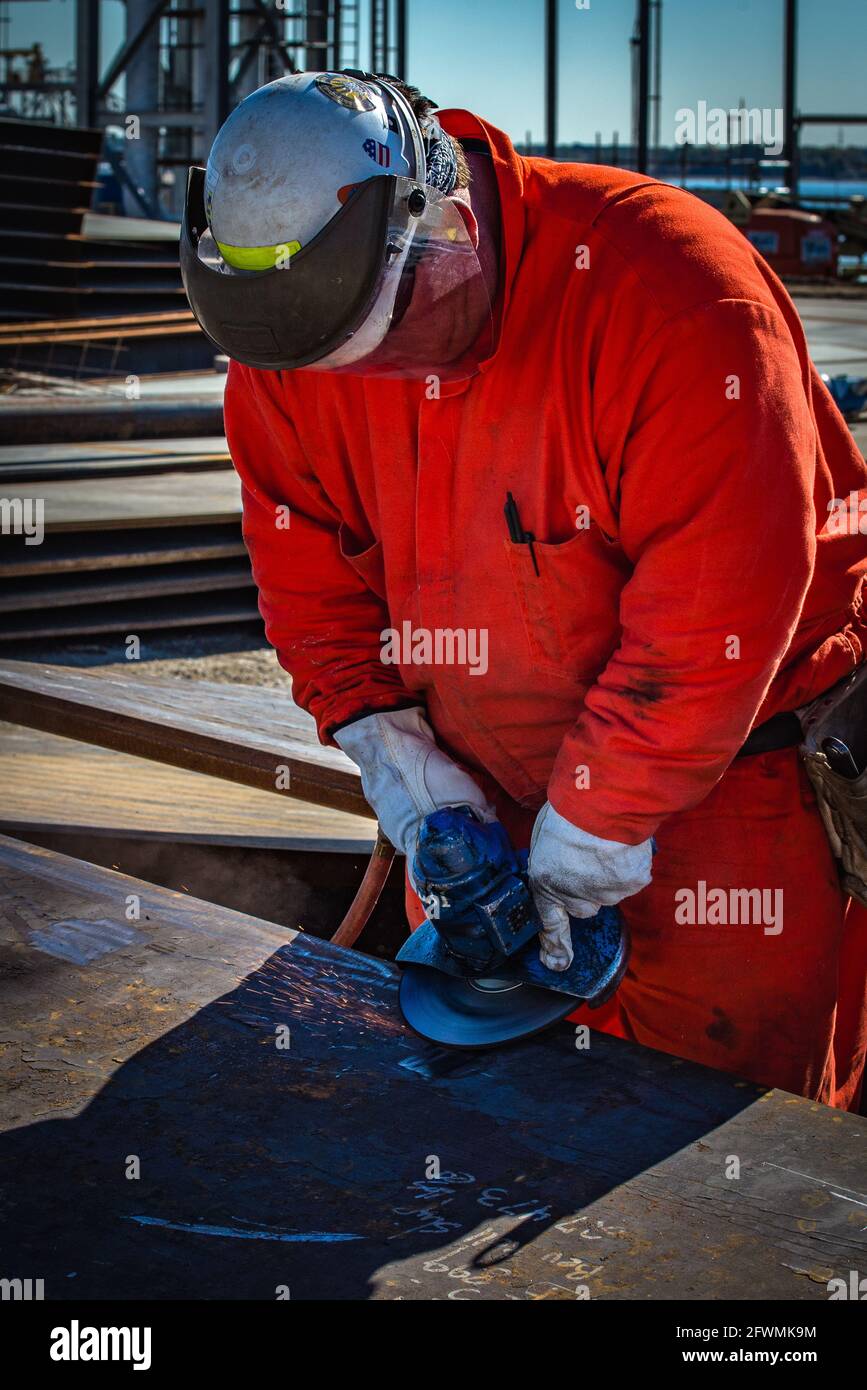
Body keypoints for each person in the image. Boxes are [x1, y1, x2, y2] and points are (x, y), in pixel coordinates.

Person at [182, 70, 867, 1108]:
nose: (382, 382)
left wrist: (594, 827)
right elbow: (310, 581)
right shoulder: (290, 356)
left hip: (741, 799)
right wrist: (397, 760)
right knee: (478, 1147)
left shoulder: (672, 292)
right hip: (484, 808)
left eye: (400, 335)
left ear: (445, 211)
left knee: (734, 1166)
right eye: (346, 365)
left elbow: (719, 610)